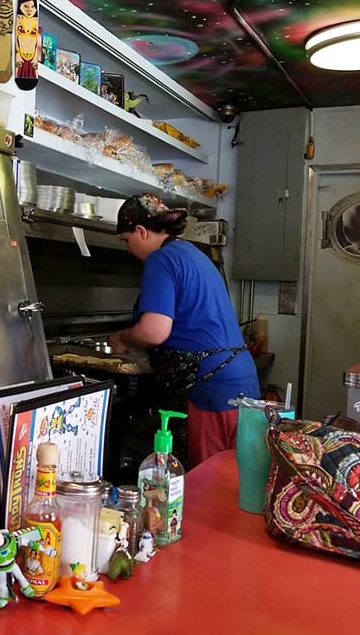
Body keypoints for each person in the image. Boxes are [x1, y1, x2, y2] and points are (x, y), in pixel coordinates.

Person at [108, 193, 259, 466]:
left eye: (127, 240)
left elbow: (155, 331)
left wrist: (123, 337)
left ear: (141, 232)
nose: (129, 250)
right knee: (231, 481)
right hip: (240, 382)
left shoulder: (161, 259)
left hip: (211, 388)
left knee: (208, 482)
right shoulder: (192, 253)